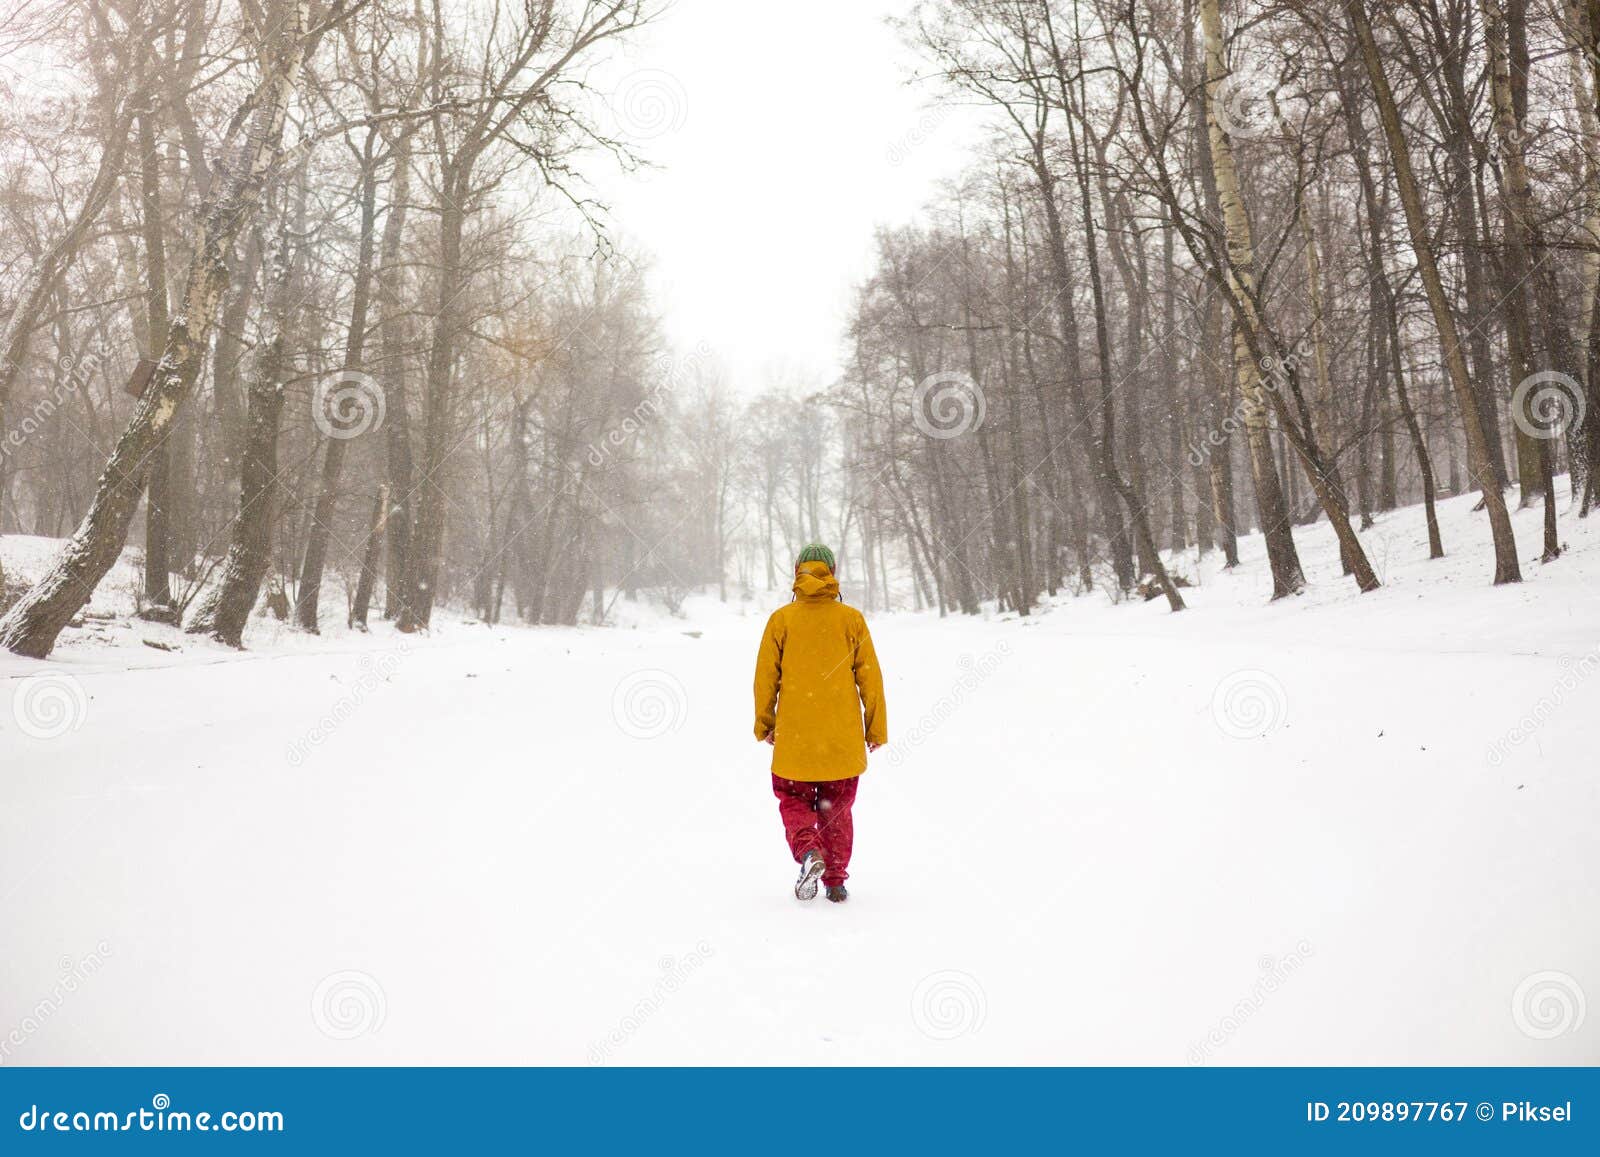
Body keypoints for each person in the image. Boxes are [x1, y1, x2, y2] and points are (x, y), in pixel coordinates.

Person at [753, 543, 887, 902]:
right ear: (832, 571)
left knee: (792, 799)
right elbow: (870, 679)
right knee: (837, 808)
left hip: (795, 739)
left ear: (797, 572)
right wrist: (875, 729)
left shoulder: (782, 620)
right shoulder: (851, 620)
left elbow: (765, 678)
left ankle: (809, 850)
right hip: (841, 742)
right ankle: (836, 881)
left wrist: (764, 723)